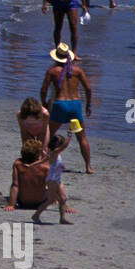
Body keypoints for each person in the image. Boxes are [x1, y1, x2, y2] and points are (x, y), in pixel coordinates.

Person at [40, 43, 94, 173]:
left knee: (47, 135)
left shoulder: (52, 71)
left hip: (60, 104)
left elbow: (43, 90)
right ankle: (88, 166)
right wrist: (88, 105)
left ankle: (42, 161)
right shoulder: (77, 71)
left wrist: (44, 104)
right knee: (82, 138)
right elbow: (88, 88)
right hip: (75, 104)